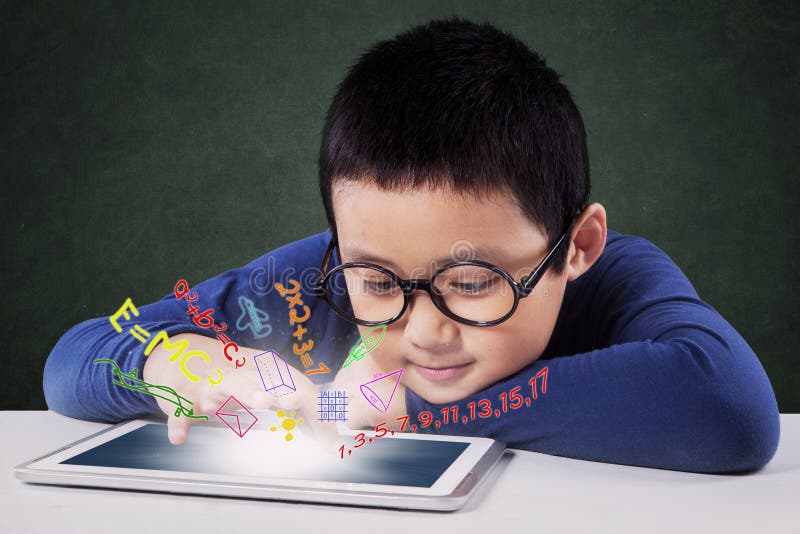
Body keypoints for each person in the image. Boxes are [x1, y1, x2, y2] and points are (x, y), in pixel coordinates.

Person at [43, 18, 779, 473]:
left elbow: (730, 410)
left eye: (472, 281)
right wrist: (172, 360)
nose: (424, 332)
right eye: (379, 281)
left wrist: (391, 412)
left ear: (575, 246)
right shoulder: (317, 280)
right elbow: (71, 362)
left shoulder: (617, 277)